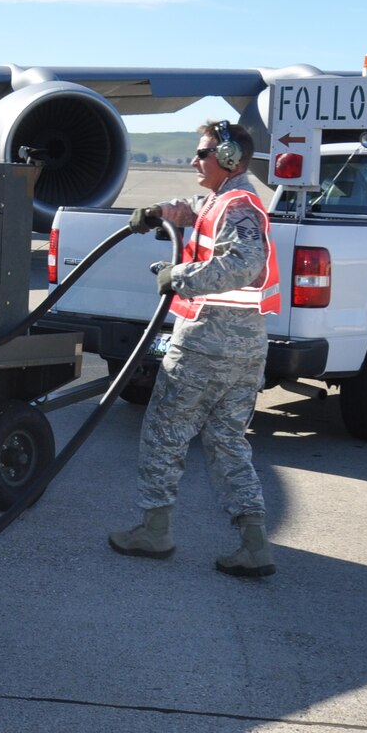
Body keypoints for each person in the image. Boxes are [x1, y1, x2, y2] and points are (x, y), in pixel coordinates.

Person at [109, 119, 282, 579]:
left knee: (164, 434)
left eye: (202, 153)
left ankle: (154, 531)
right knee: (227, 443)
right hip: (244, 350)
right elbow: (195, 211)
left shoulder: (239, 206)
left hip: (207, 343)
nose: (194, 161)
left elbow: (245, 263)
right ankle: (253, 544)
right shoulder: (226, 200)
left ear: (229, 159)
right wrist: (159, 213)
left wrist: (180, 278)